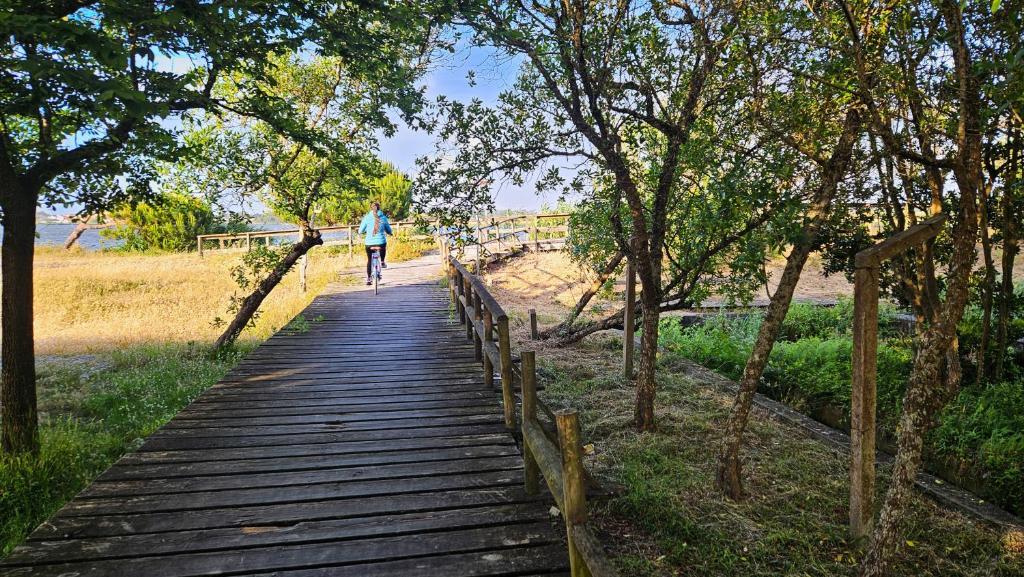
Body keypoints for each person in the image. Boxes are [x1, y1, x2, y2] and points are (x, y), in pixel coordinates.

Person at [358, 202, 392, 285]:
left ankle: (369, 279)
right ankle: (382, 261)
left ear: (371, 209)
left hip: (369, 243)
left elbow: (360, 230)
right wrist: (390, 233)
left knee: (369, 260)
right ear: (379, 209)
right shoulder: (383, 218)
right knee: (383, 245)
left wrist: (363, 232)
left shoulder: (366, 218)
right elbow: (388, 229)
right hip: (380, 243)